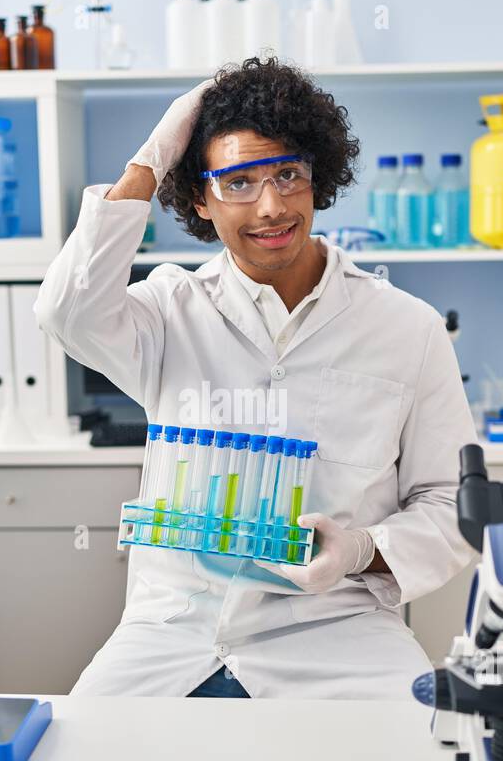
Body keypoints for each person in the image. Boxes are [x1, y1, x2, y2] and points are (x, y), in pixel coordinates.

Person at [36, 57, 477, 699]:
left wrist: (358, 550)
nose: (271, 207)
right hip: (171, 631)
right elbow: (66, 311)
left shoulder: (408, 329)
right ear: (198, 199)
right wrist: (152, 158)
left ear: (315, 179)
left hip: (342, 633)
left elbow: (450, 504)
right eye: (236, 182)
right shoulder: (167, 312)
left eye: (287, 175)